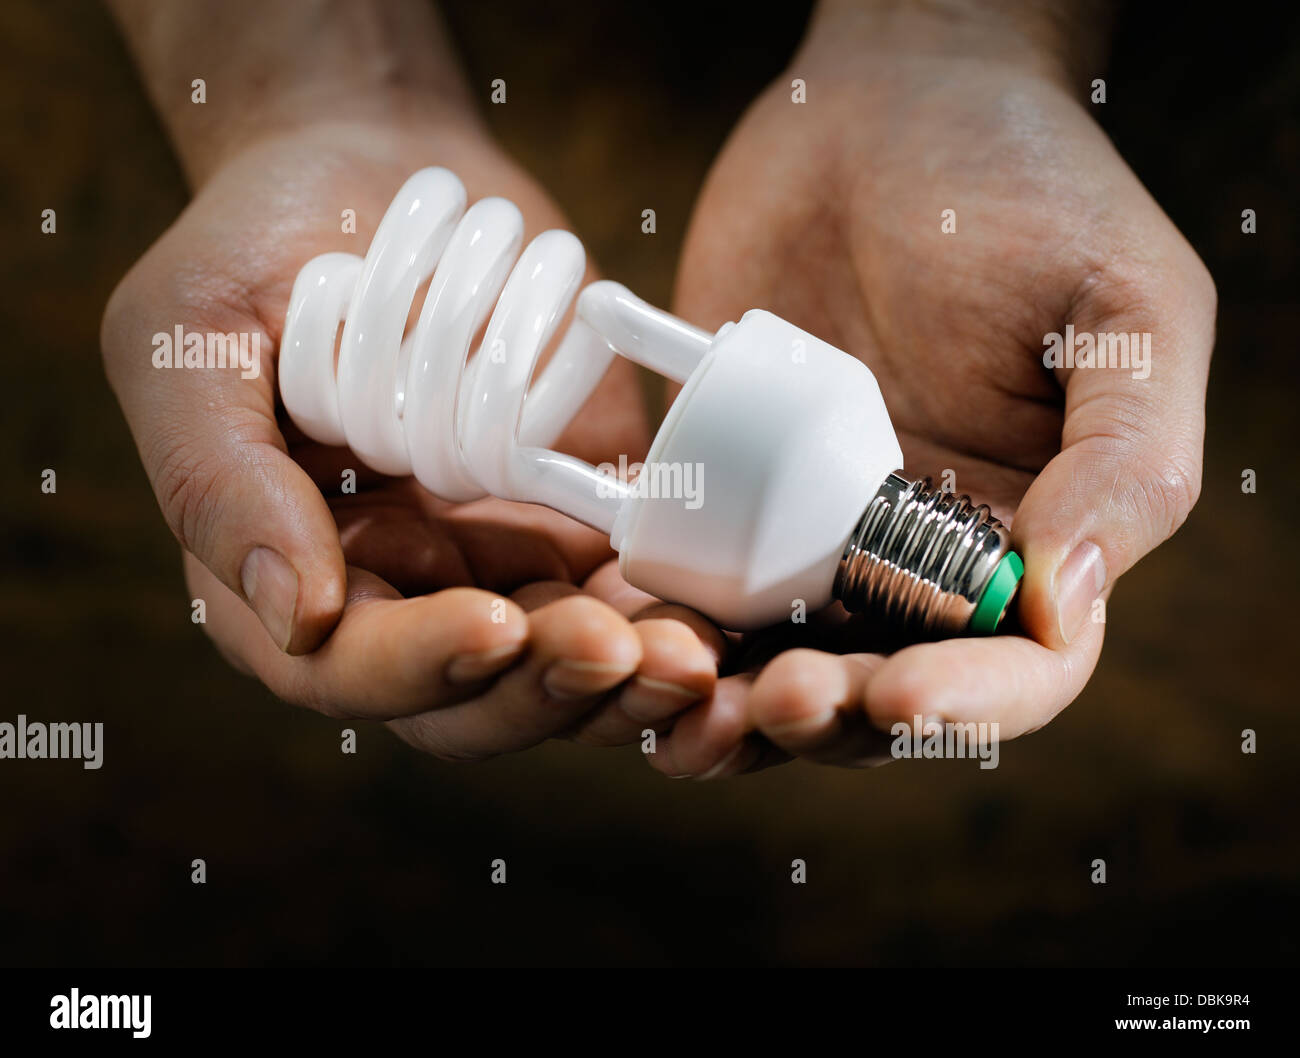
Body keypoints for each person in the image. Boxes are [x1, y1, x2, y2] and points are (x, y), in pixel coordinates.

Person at [101, 0, 1214, 777]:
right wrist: (308, 100)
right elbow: (609, 331)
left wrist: (953, 34)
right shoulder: (835, 428)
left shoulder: (835, 427)